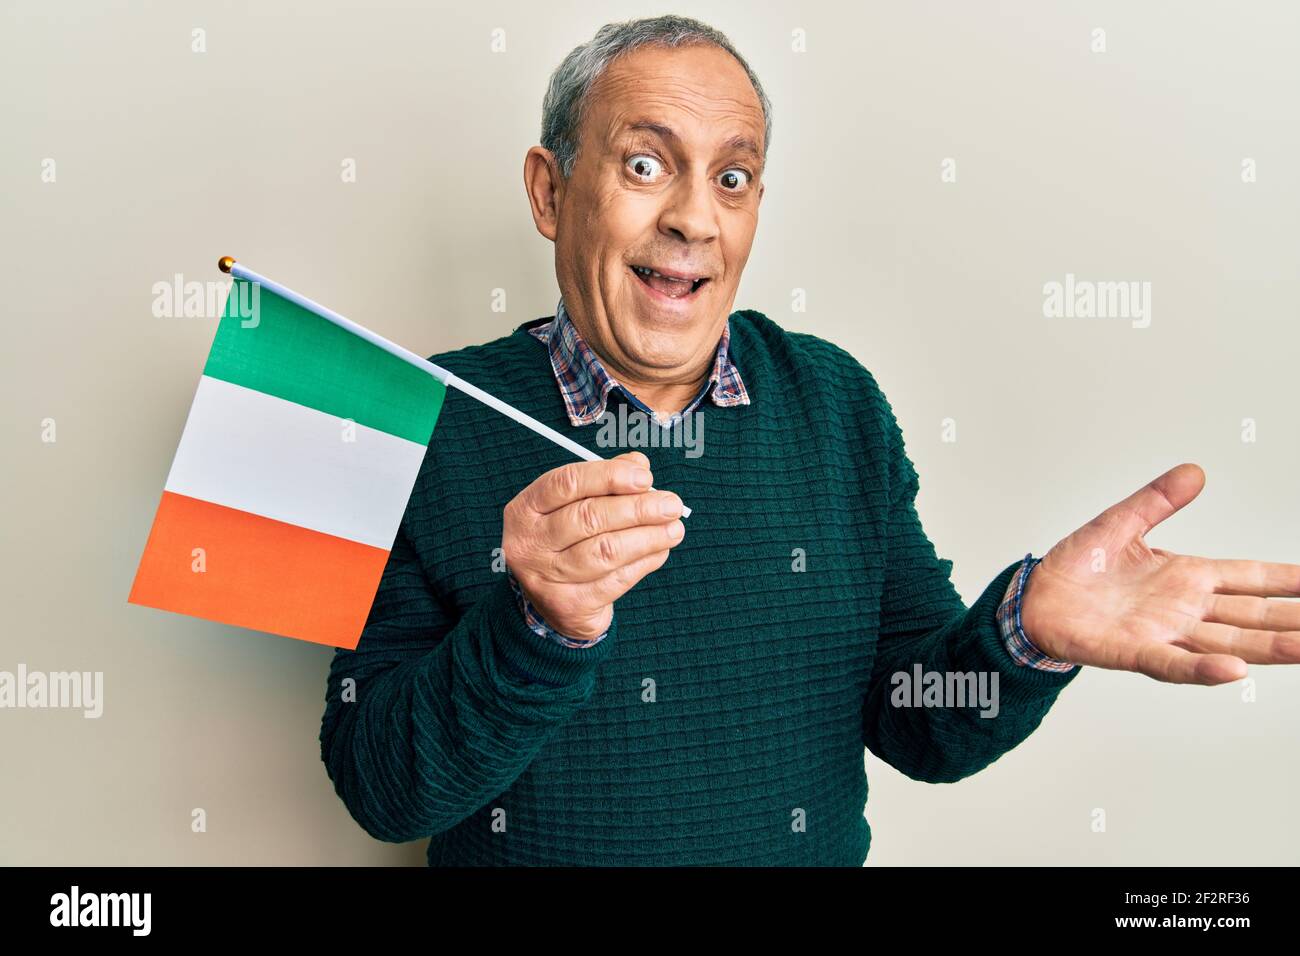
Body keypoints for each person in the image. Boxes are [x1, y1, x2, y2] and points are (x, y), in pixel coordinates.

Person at [318, 14, 1300, 866]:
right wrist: (531, 626)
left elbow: (915, 720)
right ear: (549, 191)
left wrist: (1023, 632)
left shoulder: (837, 404)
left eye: (733, 176)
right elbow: (382, 789)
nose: (693, 217)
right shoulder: (430, 416)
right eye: (645, 163)